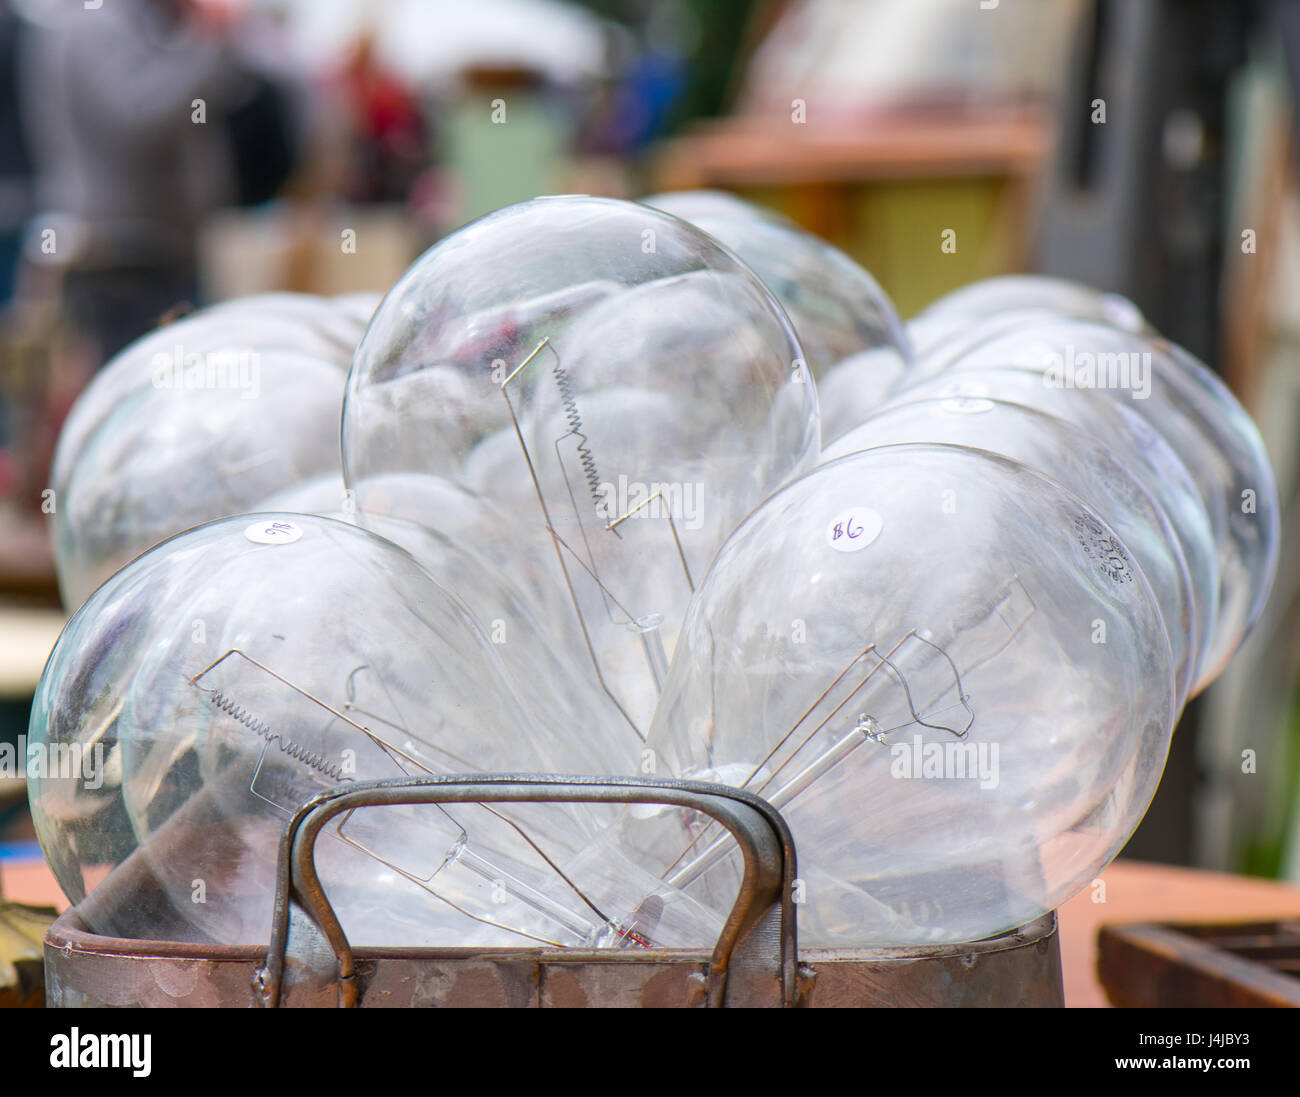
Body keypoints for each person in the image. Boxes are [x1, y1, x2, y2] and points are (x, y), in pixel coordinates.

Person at [18, 0, 254, 363]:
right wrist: (209, 43)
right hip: (126, 260)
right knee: (145, 393)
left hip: (149, 255)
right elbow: (139, 120)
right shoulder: (98, 23)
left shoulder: (129, 21)